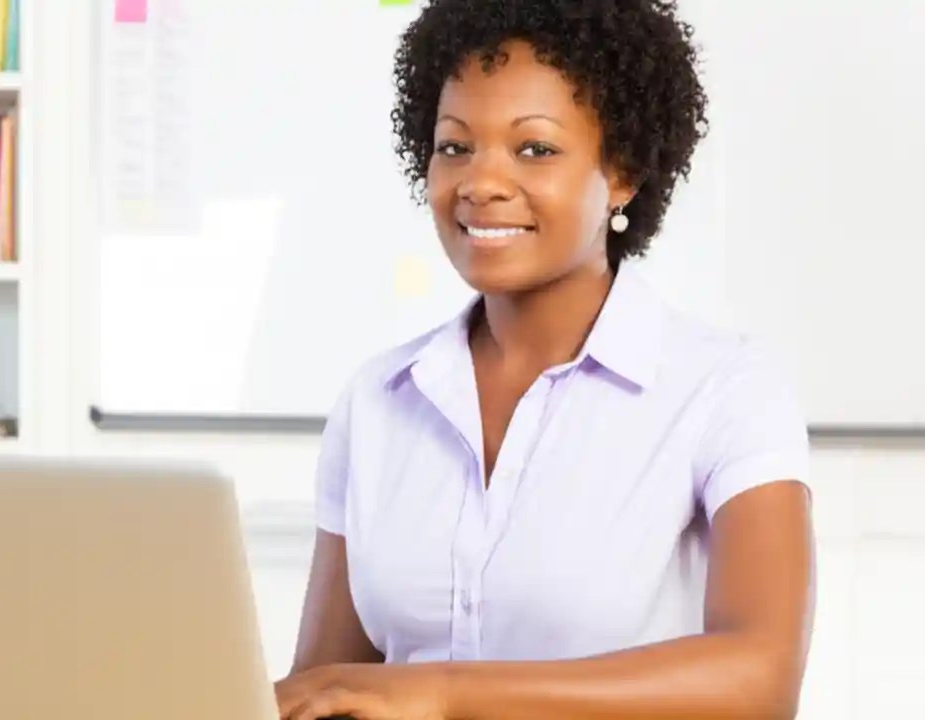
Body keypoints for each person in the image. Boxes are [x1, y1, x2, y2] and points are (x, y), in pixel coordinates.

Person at [274, 1, 815, 719]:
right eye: (455, 146)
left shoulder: (727, 391)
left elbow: (760, 678)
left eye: (535, 149)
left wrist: (440, 693)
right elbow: (326, 686)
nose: (481, 183)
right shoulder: (379, 400)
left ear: (621, 171)